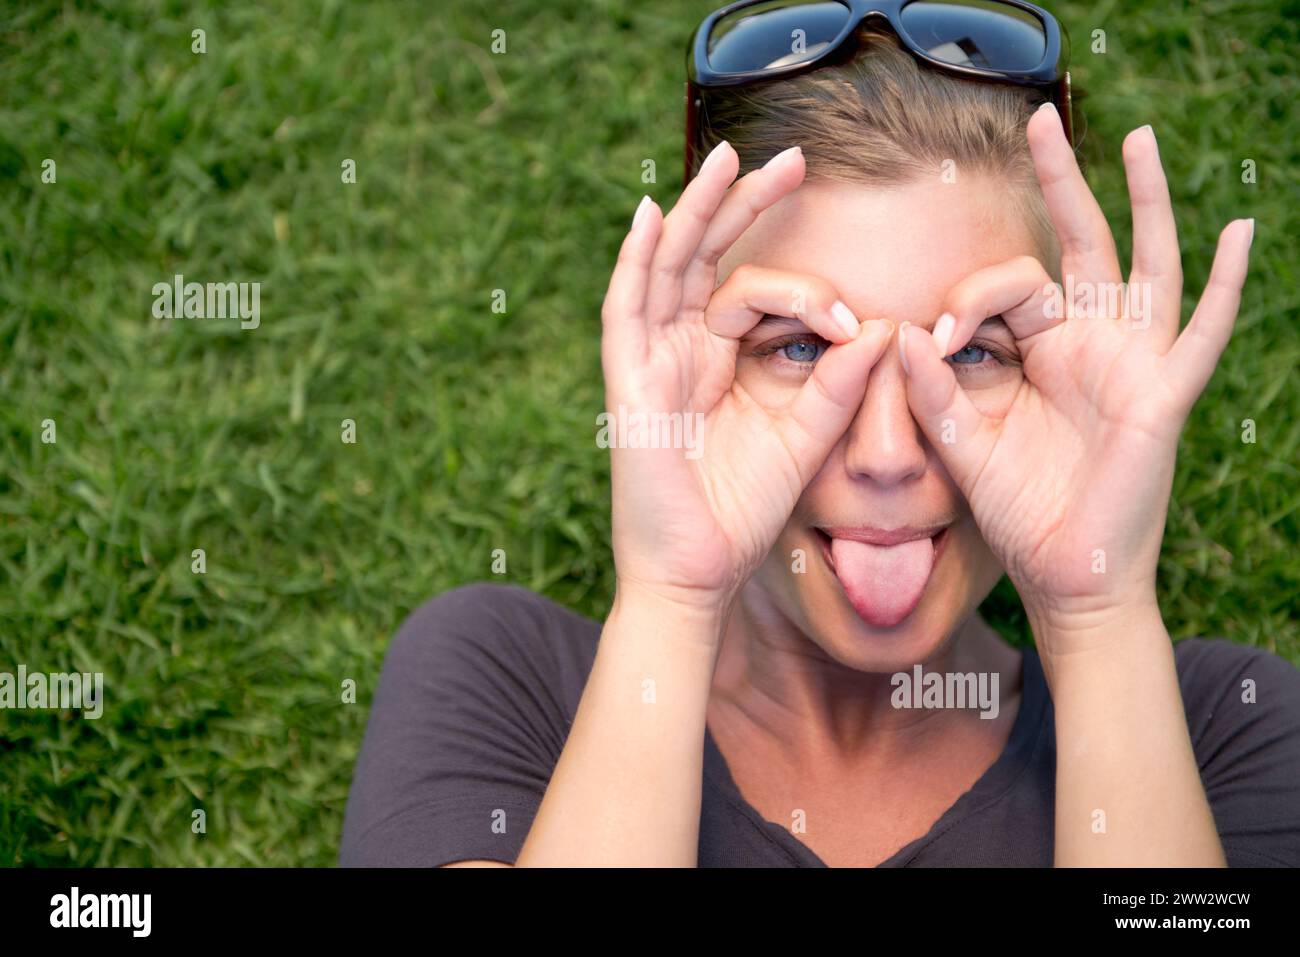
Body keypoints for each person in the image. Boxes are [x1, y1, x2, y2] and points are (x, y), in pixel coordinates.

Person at [339, 4, 1300, 868]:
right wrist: (673, 598)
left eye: (970, 356)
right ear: (694, 353)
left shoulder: (1225, 731)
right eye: (799, 346)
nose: (887, 451)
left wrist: (1099, 617)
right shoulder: (503, 682)